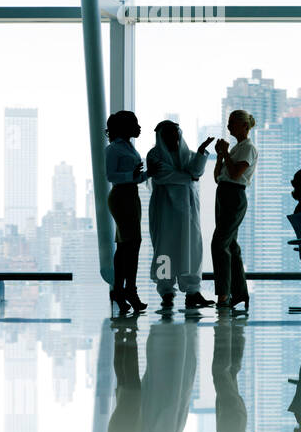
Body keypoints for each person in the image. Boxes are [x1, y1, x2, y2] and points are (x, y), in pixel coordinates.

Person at [146, 121, 214, 310]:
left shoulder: (187, 154)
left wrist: (200, 153)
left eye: (175, 133)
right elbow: (163, 176)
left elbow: (196, 172)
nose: (173, 138)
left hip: (188, 209)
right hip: (164, 208)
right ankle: (166, 291)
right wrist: (188, 176)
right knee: (164, 249)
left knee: (191, 247)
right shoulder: (154, 155)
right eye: (168, 134)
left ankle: (193, 291)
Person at [211, 109, 257, 313]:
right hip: (223, 193)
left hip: (234, 195)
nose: (228, 126)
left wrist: (226, 154)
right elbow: (217, 175)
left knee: (219, 243)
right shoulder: (237, 148)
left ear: (244, 126)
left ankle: (224, 294)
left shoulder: (248, 148)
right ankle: (239, 293)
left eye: (232, 123)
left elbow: (236, 174)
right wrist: (221, 154)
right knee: (231, 246)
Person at [105, 110, 149, 315]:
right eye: (135, 124)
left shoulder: (128, 146)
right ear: (125, 127)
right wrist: (131, 174)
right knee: (130, 245)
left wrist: (148, 173)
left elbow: (134, 177)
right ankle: (127, 290)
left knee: (126, 245)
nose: (139, 127)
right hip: (121, 198)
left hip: (131, 196)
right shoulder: (112, 149)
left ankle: (121, 291)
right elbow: (110, 175)